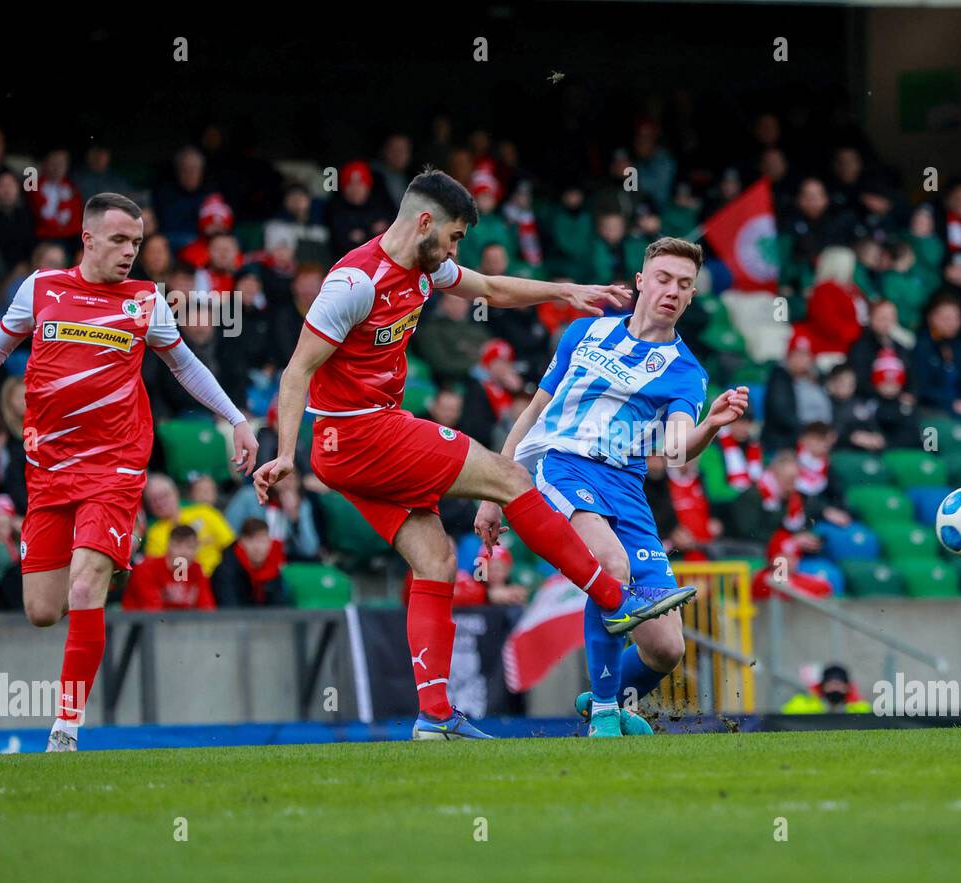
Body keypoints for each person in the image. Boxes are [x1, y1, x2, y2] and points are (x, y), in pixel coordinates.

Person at [254, 169, 693, 741]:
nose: (457, 250)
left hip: (356, 446)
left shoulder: (425, 266)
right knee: (509, 477)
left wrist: (563, 291)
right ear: (426, 222)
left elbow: (489, 287)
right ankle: (613, 600)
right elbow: (296, 371)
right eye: (456, 237)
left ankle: (435, 717)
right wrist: (286, 452)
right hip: (361, 434)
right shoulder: (353, 283)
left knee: (435, 560)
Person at [0, 193, 255, 752]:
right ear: (87, 239)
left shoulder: (145, 299)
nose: (131, 252)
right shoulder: (41, 289)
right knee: (41, 610)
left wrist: (236, 419)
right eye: (119, 240)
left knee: (85, 585)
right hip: (49, 468)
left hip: (115, 463)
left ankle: (65, 728)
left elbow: (185, 365)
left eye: (137, 241)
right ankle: (105, 559)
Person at [476, 237, 746, 738]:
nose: (673, 291)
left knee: (666, 648)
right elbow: (533, 413)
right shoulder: (585, 332)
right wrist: (498, 489)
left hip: (626, 490)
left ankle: (606, 695)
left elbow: (675, 447)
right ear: (642, 281)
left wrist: (711, 425)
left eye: (684, 285)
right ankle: (604, 714)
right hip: (561, 464)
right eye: (664, 278)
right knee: (611, 567)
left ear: (690, 297)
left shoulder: (686, 371)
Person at [122, 524, 216, 611]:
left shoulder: (196, 570)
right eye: (178, 546)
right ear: (168, 546)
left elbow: (207, 609)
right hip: (140, 625)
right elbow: (152, 611)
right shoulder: (146, 568)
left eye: (190, 547)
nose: (184, 552)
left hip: (180, 626)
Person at [211, 518, 288, 607]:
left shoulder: (273, 569)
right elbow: (229, 610)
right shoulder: (225, 572)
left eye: (262, 541)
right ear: (241, 542)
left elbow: (278, 608)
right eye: (251, 540)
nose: (258, 547)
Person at [781, 664, 871, 714]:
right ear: (822, 686)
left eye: (839, 684)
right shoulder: (803, 704)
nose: (835, 688)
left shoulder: (860, 708)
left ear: (848, 687)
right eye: (831, 684)